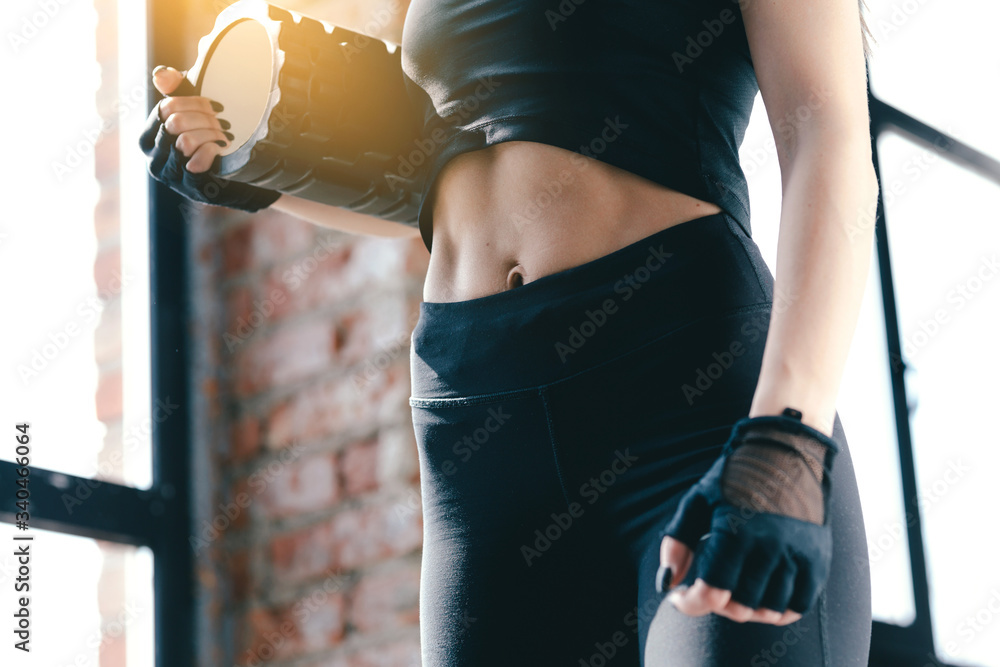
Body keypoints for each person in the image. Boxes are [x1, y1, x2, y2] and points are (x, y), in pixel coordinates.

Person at [142, 0, 879, 664]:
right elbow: (436, 181)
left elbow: (828, 138)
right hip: (480, 424)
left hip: (686, 396)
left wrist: (788, 436)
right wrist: (247, 167)